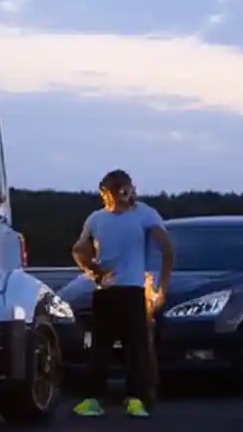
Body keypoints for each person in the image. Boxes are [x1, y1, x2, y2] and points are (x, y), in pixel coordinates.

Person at [70, 169, 173, 418]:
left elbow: (167, 249)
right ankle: (93, 398)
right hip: (105, 292)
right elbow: (79, 248)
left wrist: (162, 287)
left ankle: (138, 398)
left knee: (137, 347)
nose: (121, 194)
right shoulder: (96, 218)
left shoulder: (144, 215)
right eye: (114, 190)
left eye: (124, 189)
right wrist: (91, 269)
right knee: (100, 347)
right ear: (105, 192)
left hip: (133, 291)